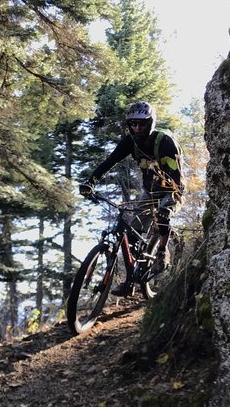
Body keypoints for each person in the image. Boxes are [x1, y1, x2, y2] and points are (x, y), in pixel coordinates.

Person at [79, 101, 185, 297]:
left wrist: (168, 206)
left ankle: (162, 251)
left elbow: (176, 180)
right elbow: (109, 162)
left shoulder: (165, 142)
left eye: (142, 124)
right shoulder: (130, 142)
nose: (137, 128)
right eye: (133, 124)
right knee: (132, 235)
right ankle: (131, 280)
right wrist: (90, 182)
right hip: (148, 191)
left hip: (172, 190)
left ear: (151, 123)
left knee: (163, 217)